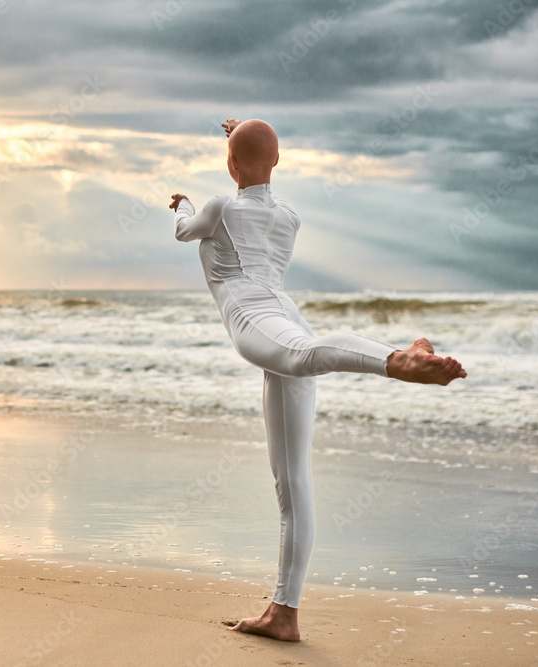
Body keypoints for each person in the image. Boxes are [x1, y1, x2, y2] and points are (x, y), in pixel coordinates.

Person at [169, 118, 467, 642]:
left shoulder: (218, 207)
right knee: (293, 482)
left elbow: (183, 231)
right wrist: (246, 140)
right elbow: (257, 175)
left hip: (255, 319)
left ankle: (399, 360)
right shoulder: (290, 216)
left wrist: (182, 203)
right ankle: (283, 614)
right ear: (278, 161)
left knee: (303, 356)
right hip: (285, 314)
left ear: (230, 164)